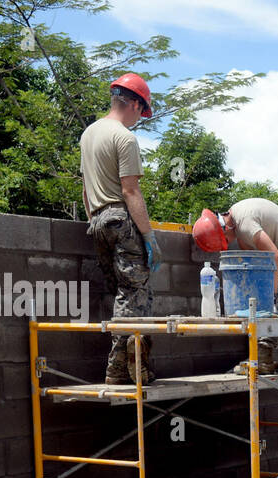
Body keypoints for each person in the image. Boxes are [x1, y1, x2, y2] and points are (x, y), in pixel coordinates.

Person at [80, 72, 161, 385]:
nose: (141, 118)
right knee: (134, 293)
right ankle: (119, 369)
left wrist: (94, 220)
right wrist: (149, 236)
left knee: (121, 293)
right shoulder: (124, 138)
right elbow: (130, 192)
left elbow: (87, 189)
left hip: (98, 219)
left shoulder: (89, 134)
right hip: (120, 218)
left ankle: (132, 365)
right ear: (135, 104)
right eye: (142, 111)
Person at [192, 199, 278, 373]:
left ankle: (262, 359)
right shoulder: (237, 219)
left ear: (224, 229)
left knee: (274, 306)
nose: (228, 242)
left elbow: (275, 257)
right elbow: (253, 260)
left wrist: (270, 294)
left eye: (225, 240)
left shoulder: (245, 224)